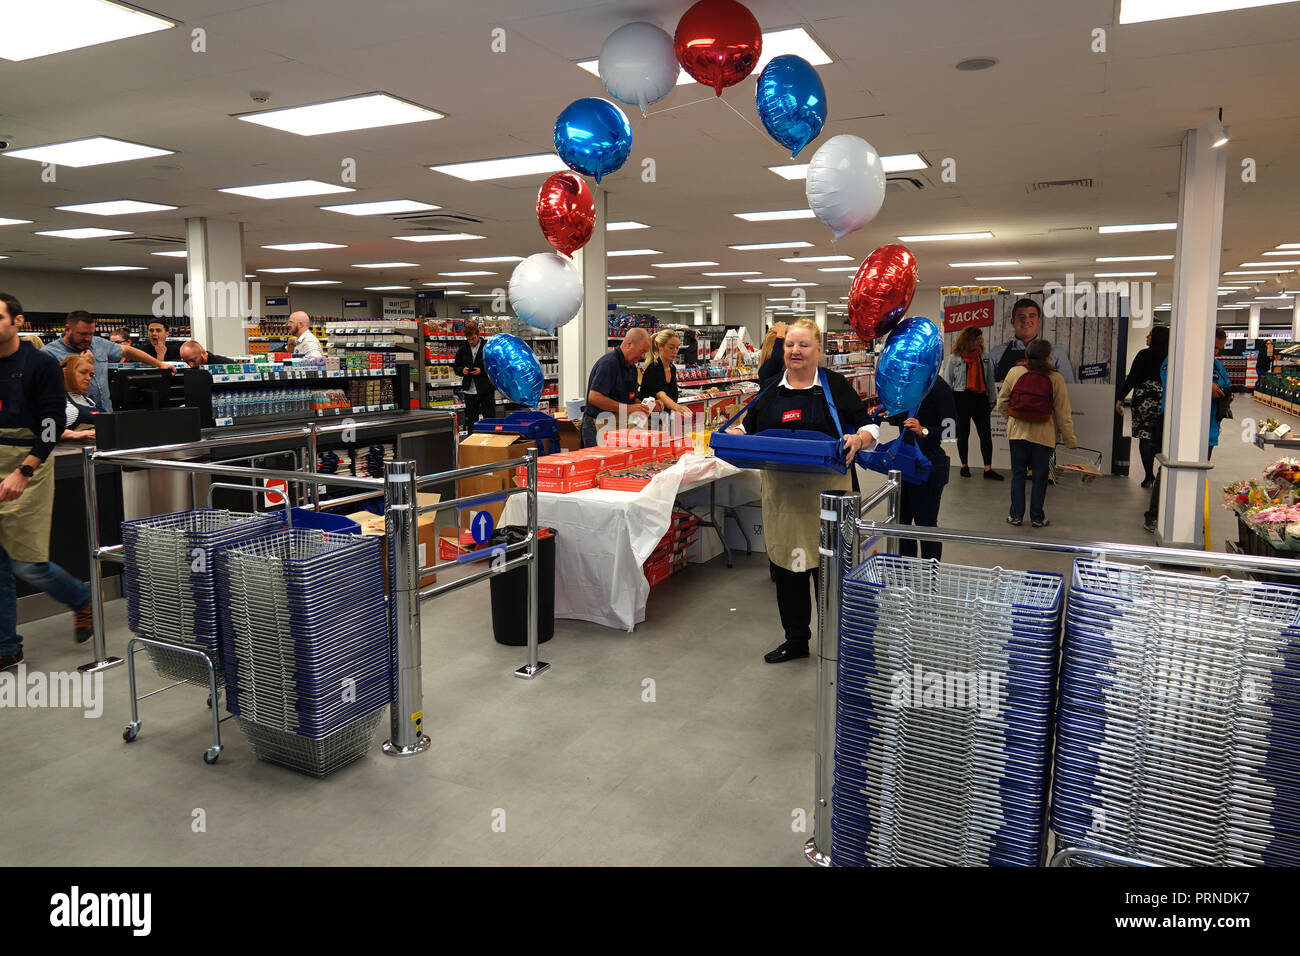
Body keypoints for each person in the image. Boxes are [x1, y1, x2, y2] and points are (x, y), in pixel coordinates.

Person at [724, 319, 879, 664]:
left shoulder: (836, 386)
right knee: (787, 569)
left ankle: (843, 640)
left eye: (803, 345)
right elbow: (749, 425)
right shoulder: (770, 388)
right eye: (789, 345)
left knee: (831, 570)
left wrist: (859, 439)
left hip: (829, 496)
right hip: (783, 497)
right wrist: (735, 434)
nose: (795, 351)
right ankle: (795, 640)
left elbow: (869, 425)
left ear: (818, 351)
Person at [0, 293, 93, 671]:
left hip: (27, 464)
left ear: (17, 322)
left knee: (27, 564)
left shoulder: (38, 364)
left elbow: (53, 422)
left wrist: (25, 470)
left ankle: (80, 596)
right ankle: (8, 646)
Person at [1143, 328, 1231, 533]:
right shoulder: (1175, 362)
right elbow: (1174, 385)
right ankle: (1153, 516)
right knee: (1167, 470)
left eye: (1220, 349)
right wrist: (1205, 385)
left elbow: (1228, 387)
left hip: (1208, 430)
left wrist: (1221, 391)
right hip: (1179, 426)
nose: (1217, 353)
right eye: (1214, 348)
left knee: (1197, 475)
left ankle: (1190, 520)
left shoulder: (1217, 365)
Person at [997, 338, 1078, 529]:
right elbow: (1062, 412)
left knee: (1017, 474)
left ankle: (1015, 515)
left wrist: (1012, 421)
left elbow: (1002, 403)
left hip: (1017, 434)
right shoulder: (1055, 378)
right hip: (1044, 436)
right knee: (1040, 477)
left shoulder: (1015, 372)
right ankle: (1037, 518)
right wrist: (1069, 439)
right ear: (1048, 356)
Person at [880, 375, 958, 560]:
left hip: (928, 463)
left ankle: (929, 578)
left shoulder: (937, 387)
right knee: (902, 523)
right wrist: (890, 415)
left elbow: (952, 431)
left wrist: (924, 430)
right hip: (904, 462)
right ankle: (906, 574)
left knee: (925, 524)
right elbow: (904, 421)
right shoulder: (905, 384)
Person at [41, 310, 173, 412]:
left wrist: (159, 364)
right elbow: (50, 391)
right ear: (68, 329)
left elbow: (127, 350)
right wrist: (82, 364)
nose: (88, 339)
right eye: (82, 334)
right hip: (76, 418)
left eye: (91, 333)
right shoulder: (49, 353)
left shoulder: (98, 344)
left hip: (106, 412)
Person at [580, 328, 660, 448]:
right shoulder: (609, 363)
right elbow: (594, 397)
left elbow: (631, 399)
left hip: (617, 426)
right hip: (598, 425)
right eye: (642, 351)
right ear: (629, 344)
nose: (643, 356)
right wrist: (627, 408)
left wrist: (648, 406)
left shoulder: (632, 368)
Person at [943, 327, 1001, 480]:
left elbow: (989, 380)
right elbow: (948, 382)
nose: (980, 342)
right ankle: (964, 466)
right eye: (977, 339)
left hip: (980, 398)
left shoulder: (985, 357)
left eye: (980, 339)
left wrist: (992, 399)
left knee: (985, 434)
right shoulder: (955, 358)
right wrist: (948, 404)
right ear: (968, 340)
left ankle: (988, 469)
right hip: (961, 398)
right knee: (963, 434)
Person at [1116, 326, 1170, 488]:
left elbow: (1132, 378)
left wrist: (1120, 398)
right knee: (1162, 436)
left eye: (1150, 335)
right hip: (1164, 399)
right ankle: (1163, 474)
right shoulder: (1171, 356)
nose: (1147, 337)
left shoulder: (1143, 354)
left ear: (1157, 338)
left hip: (1144, 399)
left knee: (1144, 437)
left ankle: (1148, 476)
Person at [991, 298, 1075, 383]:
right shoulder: (995, 353)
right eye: (1021, 316)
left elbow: (1070, 390)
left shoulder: (1057, 353)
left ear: (1039, 321)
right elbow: (988, 390)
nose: (1026, 320)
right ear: (1012, 322)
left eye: (1031, 316)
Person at [640, 328, 690, 417]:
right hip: (650, 421)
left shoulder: (672, 368)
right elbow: (661, 395)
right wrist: (678, 408)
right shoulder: (653, 368)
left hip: (666, 419)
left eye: (677, 347)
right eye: (671, 347)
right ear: (660, 346)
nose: (675, 351)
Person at [454, 323, 496, 427]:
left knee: (489, 418)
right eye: (469, 339)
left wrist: (481, 371)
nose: (471, 342)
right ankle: (472, 441)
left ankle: (491, 440)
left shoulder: (488, 347)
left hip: (486, 389)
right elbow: (456, 366)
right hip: (469, 390)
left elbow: (495, 366)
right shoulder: (463, 348)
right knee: (471, 421)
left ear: (478, 334)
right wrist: (461, 370)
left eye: (473, 338)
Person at [60, 355, 99, 438]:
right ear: (65, 372)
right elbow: (46, 434)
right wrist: (75, 434)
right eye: (83, 372)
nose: (88, 378)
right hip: (66, 450)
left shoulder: (89, 401)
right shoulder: (56, 400)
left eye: (91, 375)